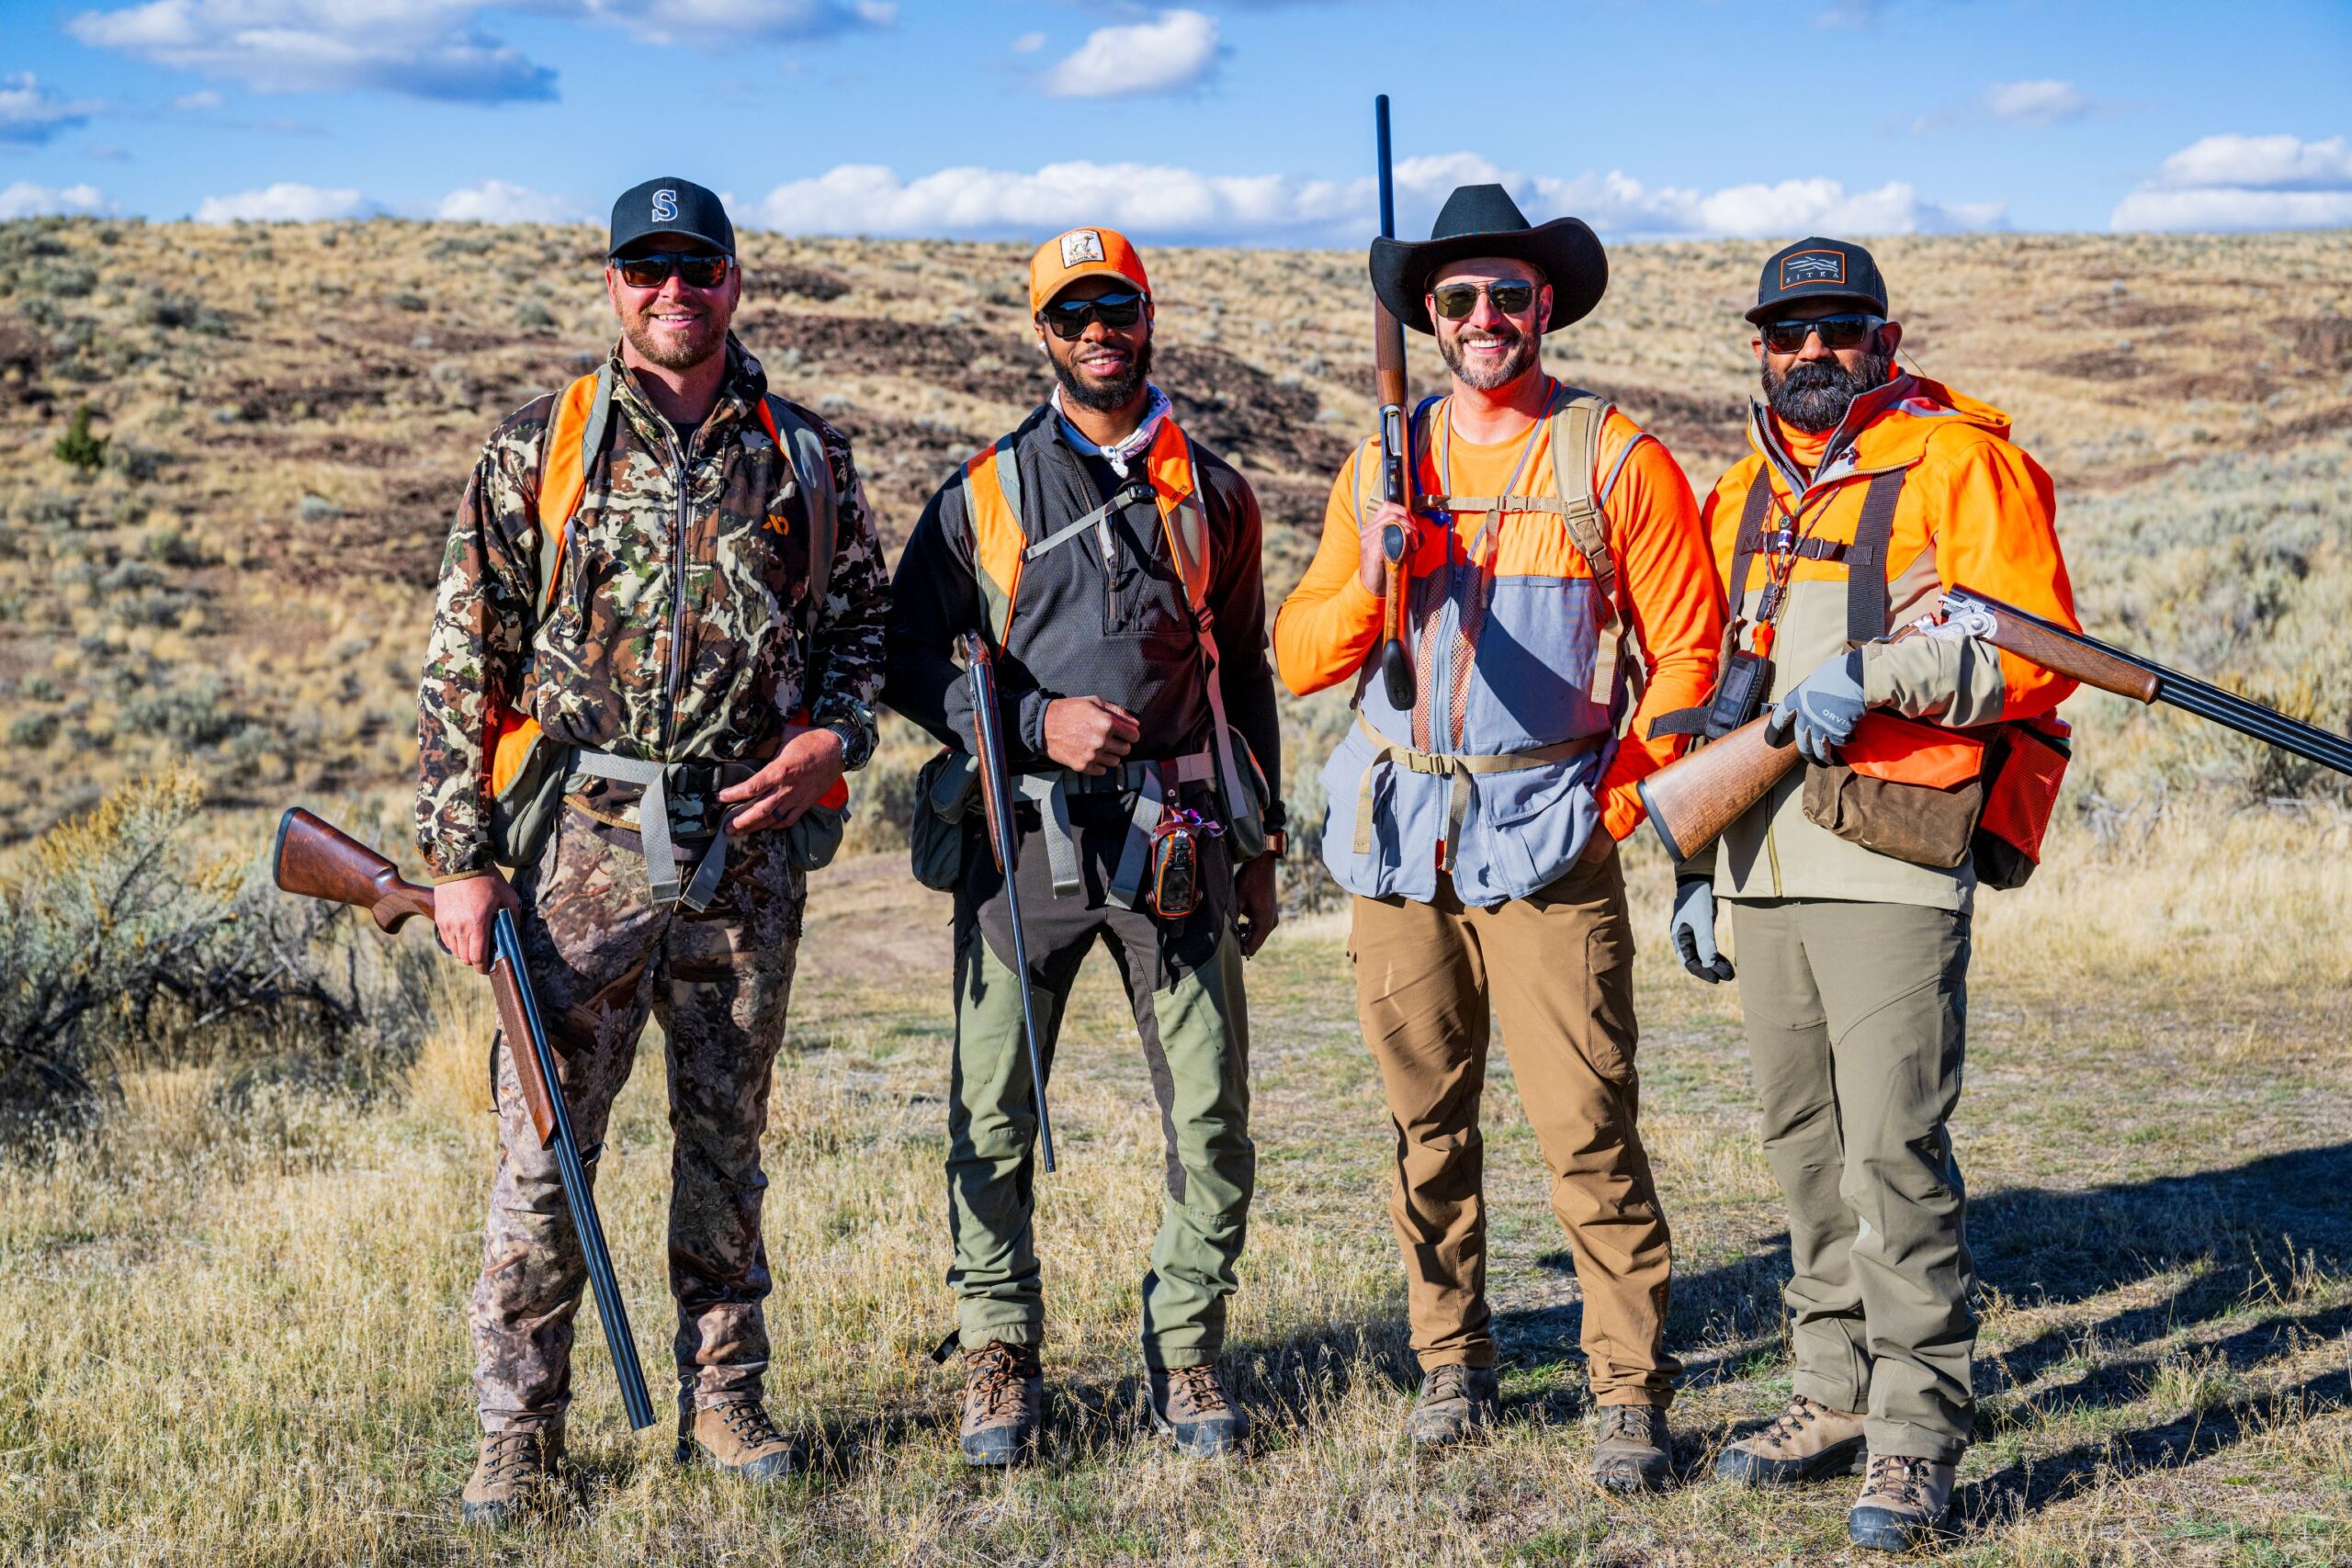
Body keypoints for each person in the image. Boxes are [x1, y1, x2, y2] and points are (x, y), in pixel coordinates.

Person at [415, 177, 890, 1526]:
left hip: (748, 841)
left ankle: (726, 1398)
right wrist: (460, 854)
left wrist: (834, 745)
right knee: (546, 1152)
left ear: (737, 279)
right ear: (612, 282)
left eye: (697, 267)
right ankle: (520, 1433)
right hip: (582, 845)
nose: (671, 290)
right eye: (646, 268)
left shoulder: (805, 453)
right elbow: (466, 657)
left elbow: (860, 629)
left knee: (727, 1143)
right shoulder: (540, 446)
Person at [1272, 185, 1722, 1492]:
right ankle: (1452, 1363)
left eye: (1510, 296)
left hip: (1551, 840)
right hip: (1401, 841)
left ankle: (1629, 1393)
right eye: (1459, 298)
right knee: (1426, 1127)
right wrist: (1370, 571)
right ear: (1426, 314)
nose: (1485, 318)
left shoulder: (1611, 458)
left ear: (1545, 308)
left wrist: (1616, 804)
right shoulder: (1381, 461)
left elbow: (1684, 661)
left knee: (1588, 1130)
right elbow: (1303, 655)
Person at [1668, 236, 2078, 1551]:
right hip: (1761, 866)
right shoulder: (1742, 491)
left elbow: (2036, 664)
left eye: (1840, 330)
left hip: (1892, 854)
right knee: (1802, 1153)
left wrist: (1887, 677)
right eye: (1788, 334)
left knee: (1892, 1154)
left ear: (1884, 342)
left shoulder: (1965, 465)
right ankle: (1829, 1394)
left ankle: (1914, 1434)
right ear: (1759, 348)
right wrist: (1690, 864)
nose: (1812, 354)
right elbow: (1715, 690)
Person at [884, 226, 1285, 1466]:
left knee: (1211, 1118)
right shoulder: (981, 495)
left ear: (1149, 317)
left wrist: (1262, 843)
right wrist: (1025, 721)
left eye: (1116, 306)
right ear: (1042, 336)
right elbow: (903, 665)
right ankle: (998, 1354)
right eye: (1072, 316)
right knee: (992, 1118)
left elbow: (1248, 675)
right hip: (1022, 851)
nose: (1097, 330)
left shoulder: (1215, 490)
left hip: (1180, 844)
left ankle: (1188, 1353)